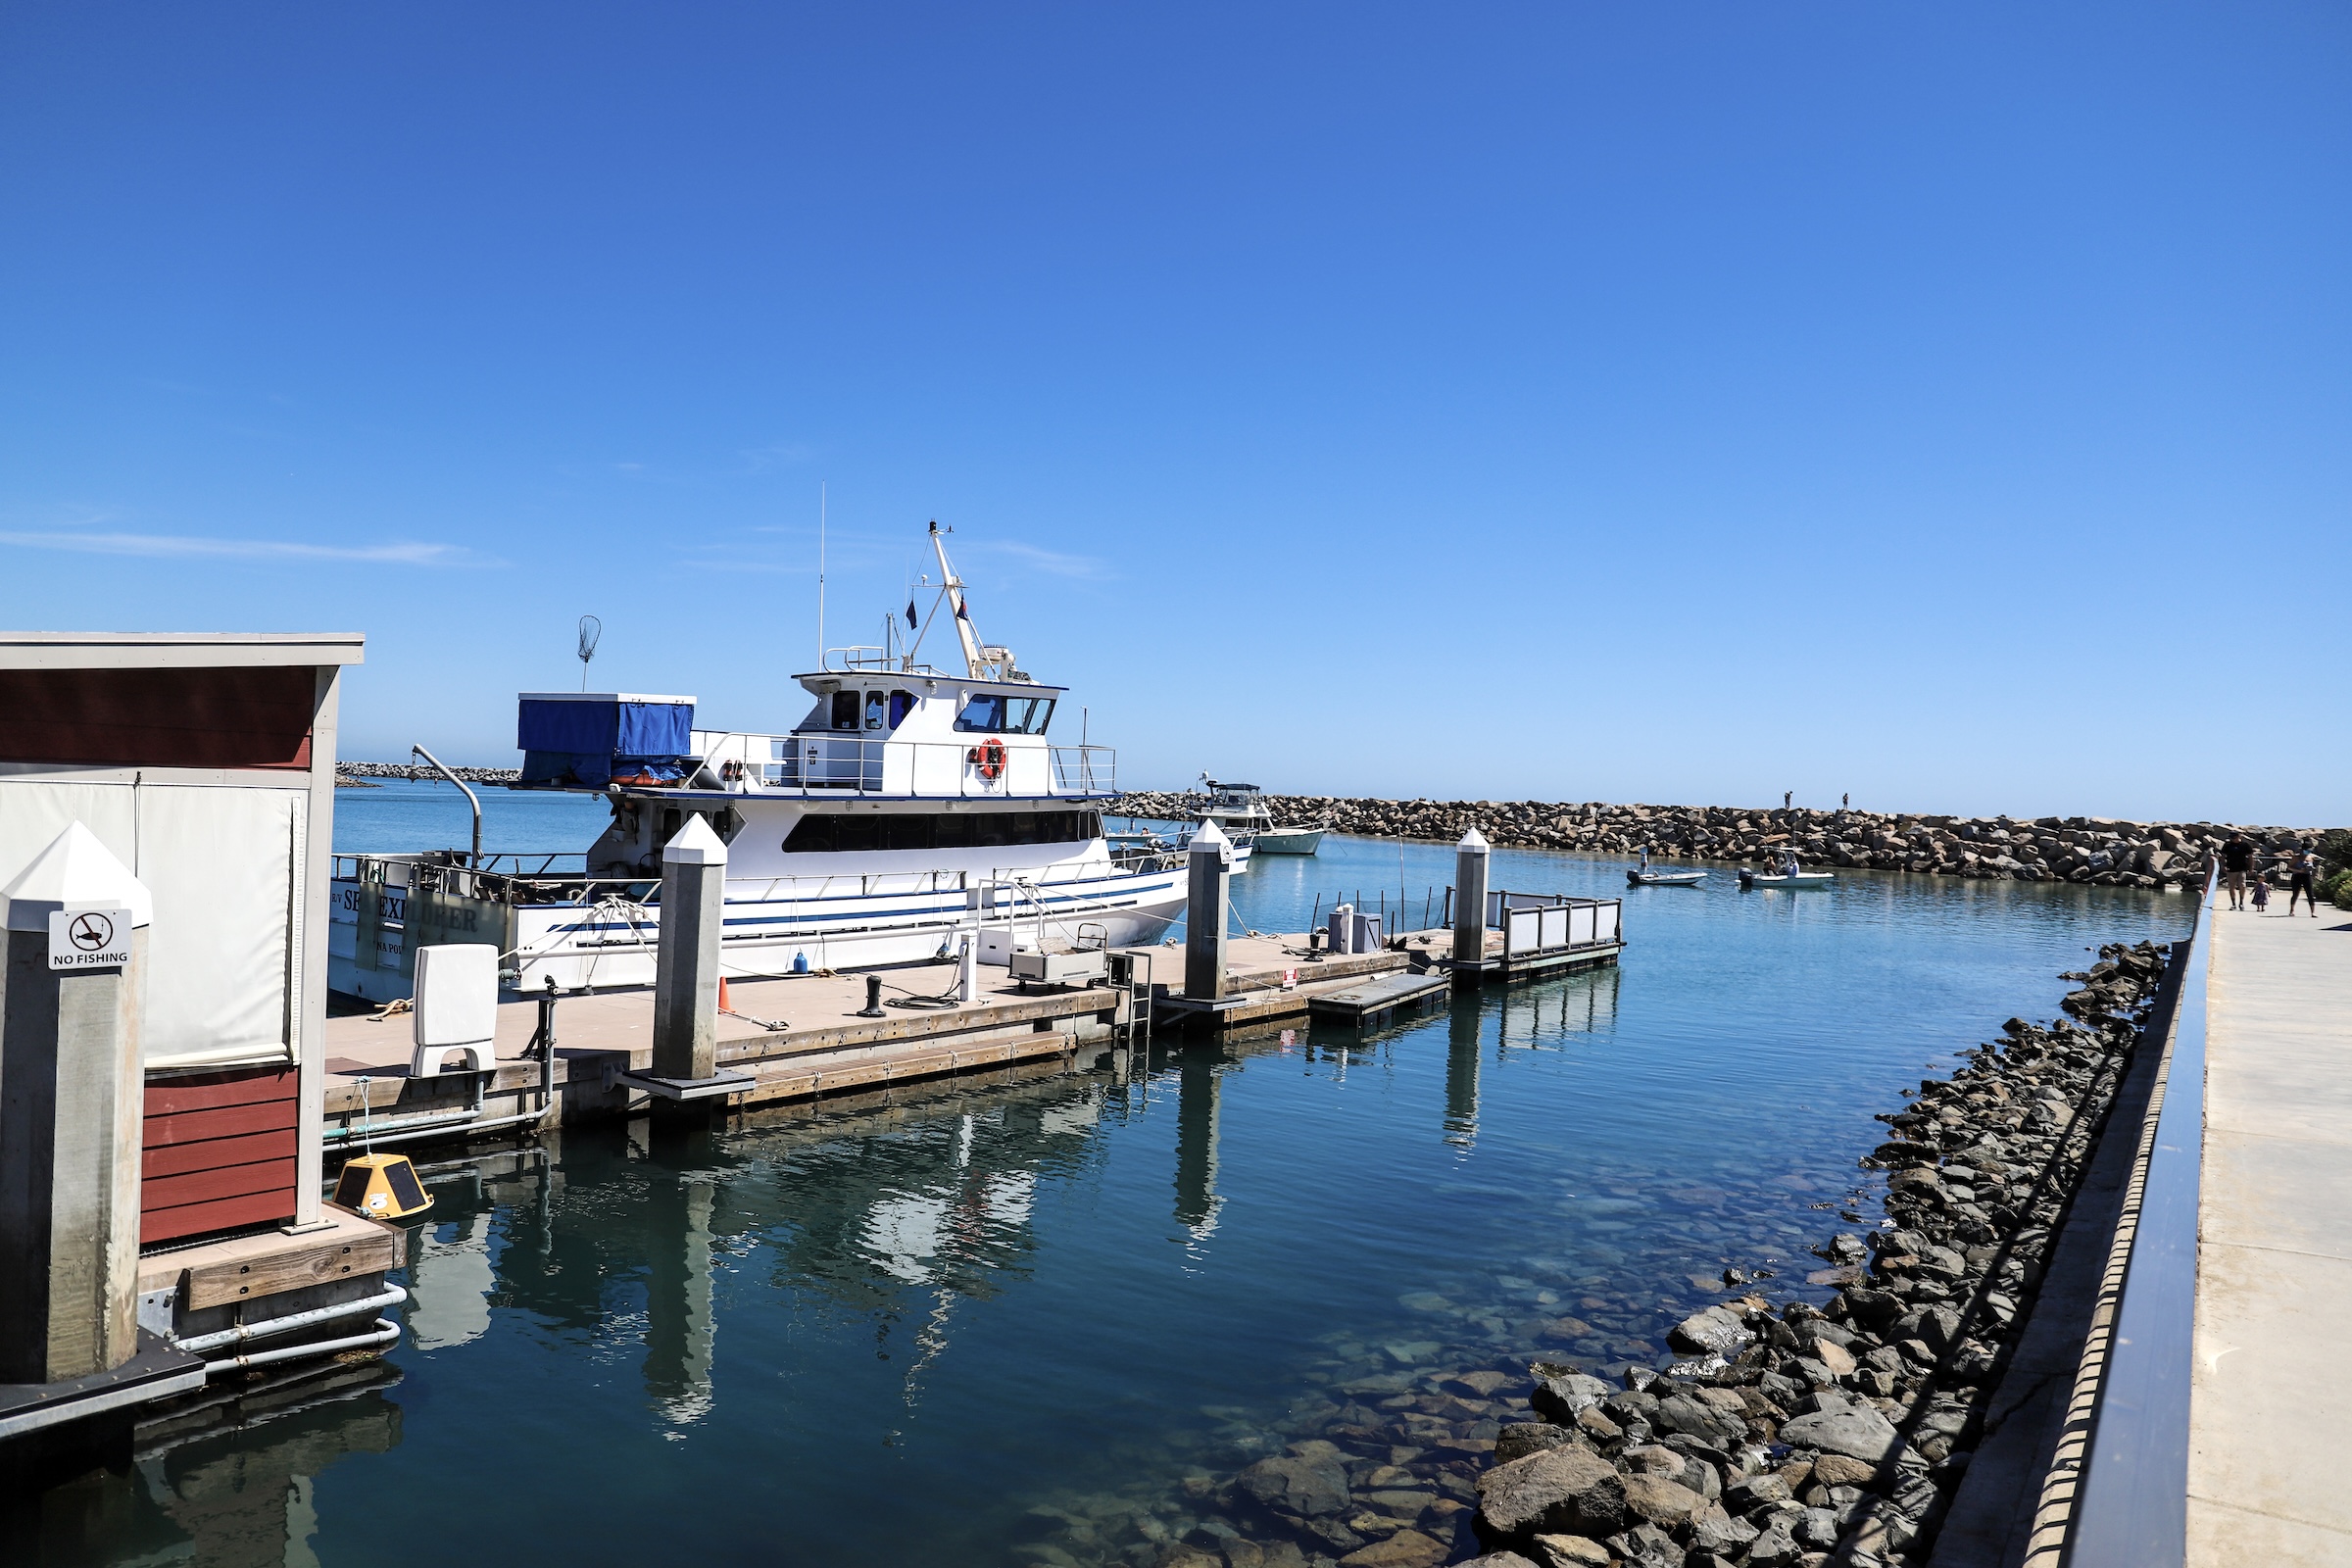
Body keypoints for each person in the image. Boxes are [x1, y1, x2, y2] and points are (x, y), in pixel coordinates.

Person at [2221, 833, 2254, 910]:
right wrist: (2223, 865)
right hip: (2231, 869)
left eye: (2234, 837)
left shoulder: (2245, 845)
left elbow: (2250, 857)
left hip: (2242, 868)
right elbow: (2223, 856)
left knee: (2242, 885)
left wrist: (2251, 868)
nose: (2233, 839)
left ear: (2239, 837)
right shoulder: (2227, 845)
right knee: (2232, 887)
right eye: (2232, 838)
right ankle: (2233, 904)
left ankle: (2241, 903)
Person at [2288, 849, 2320, 916]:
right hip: (2297, 875)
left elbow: (2313, 867)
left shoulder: (2310, 857)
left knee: (2310, 894)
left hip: (2307, 876)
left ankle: (2312, 912)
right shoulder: (2296, 857)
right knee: (2295, 893)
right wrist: (2299, 870)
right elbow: (2289, 867)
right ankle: (2292, 910)